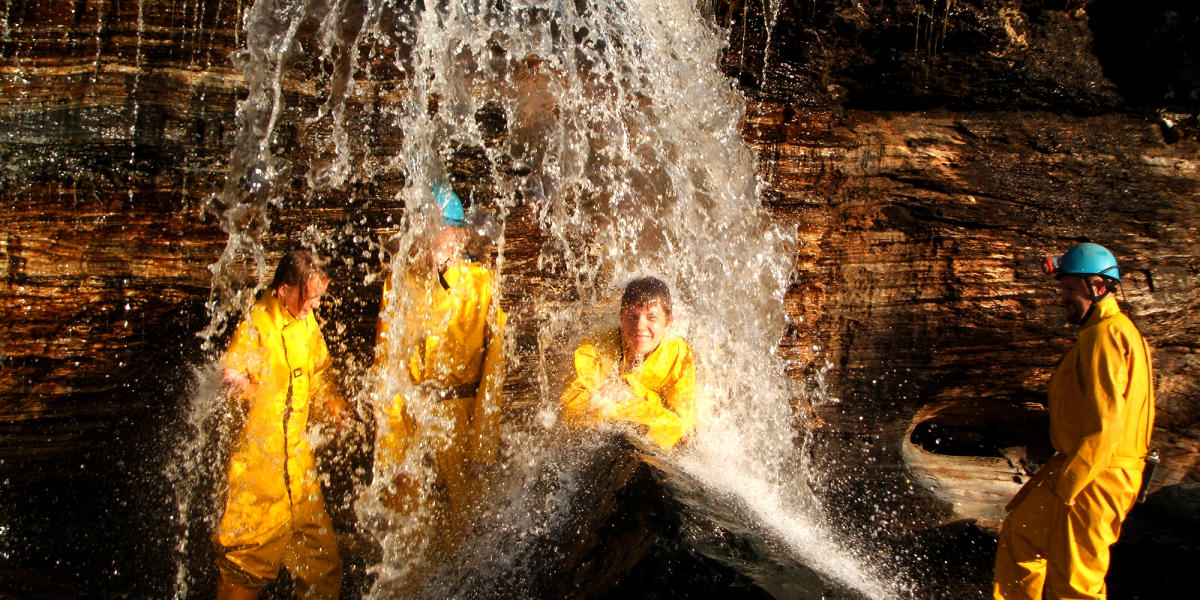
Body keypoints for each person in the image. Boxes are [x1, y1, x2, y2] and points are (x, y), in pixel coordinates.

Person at [993, 242, 1156, 600]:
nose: (1064, 296)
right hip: (1083, 466)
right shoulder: (1105, 331)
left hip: (1096, 474)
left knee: (1076, 583)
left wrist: (1069, 486)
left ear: (1098, 287)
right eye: (1063, 288)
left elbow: (1107, 421)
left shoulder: (1107, 335)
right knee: (1022, 538)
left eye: (1070, 288)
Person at [372, 181, 507, 557]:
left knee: (468, 535)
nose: (431, 239)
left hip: (461, 424)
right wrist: (392, 456)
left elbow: (494, 370)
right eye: (423, 229)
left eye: (439, 230)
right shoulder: (397, 284)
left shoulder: (483, 284)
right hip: (413, 418)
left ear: (460, 234)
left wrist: (483, 443)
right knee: (409, 539)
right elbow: (386, 371)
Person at [214, 248, 352, 600]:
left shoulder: (305, 323)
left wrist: (334, 409)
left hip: (297, 463)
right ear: (285, 288)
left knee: (321, 563)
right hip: (259, 468)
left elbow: (320, 375)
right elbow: (230, 372)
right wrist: (240, 384)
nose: (314, 306)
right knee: (244, 568)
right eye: (309, 297)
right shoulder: (257, 321)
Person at [561, 276, 697, 451]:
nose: (640, 326)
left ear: (668, 323)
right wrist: (613, 404)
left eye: (651, 317)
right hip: (604, 440)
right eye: (632, 316)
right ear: (621, 316)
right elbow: (570, 409)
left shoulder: (680, 355)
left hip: (650, 444)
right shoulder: (595, 347)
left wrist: (633, 392)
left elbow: (683, 430)